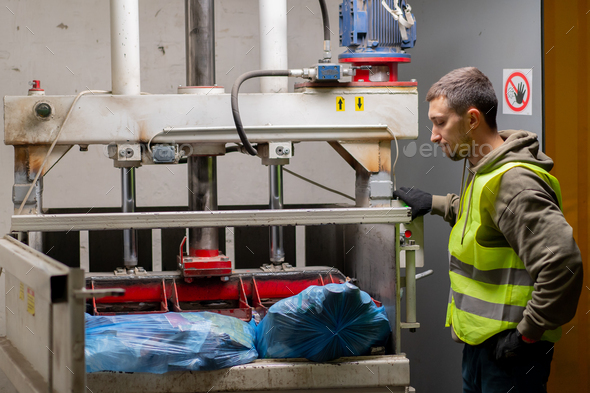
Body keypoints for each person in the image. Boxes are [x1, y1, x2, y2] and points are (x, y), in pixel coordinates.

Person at [393, 67, 583, 393]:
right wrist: (434, 202)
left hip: (512, 351)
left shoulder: (513, 182)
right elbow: (484, 223)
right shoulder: (484, 171)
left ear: (471, 120)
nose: (433, 136)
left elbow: (563, 264)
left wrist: (527, 334)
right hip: (483, 344)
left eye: (440, 123)